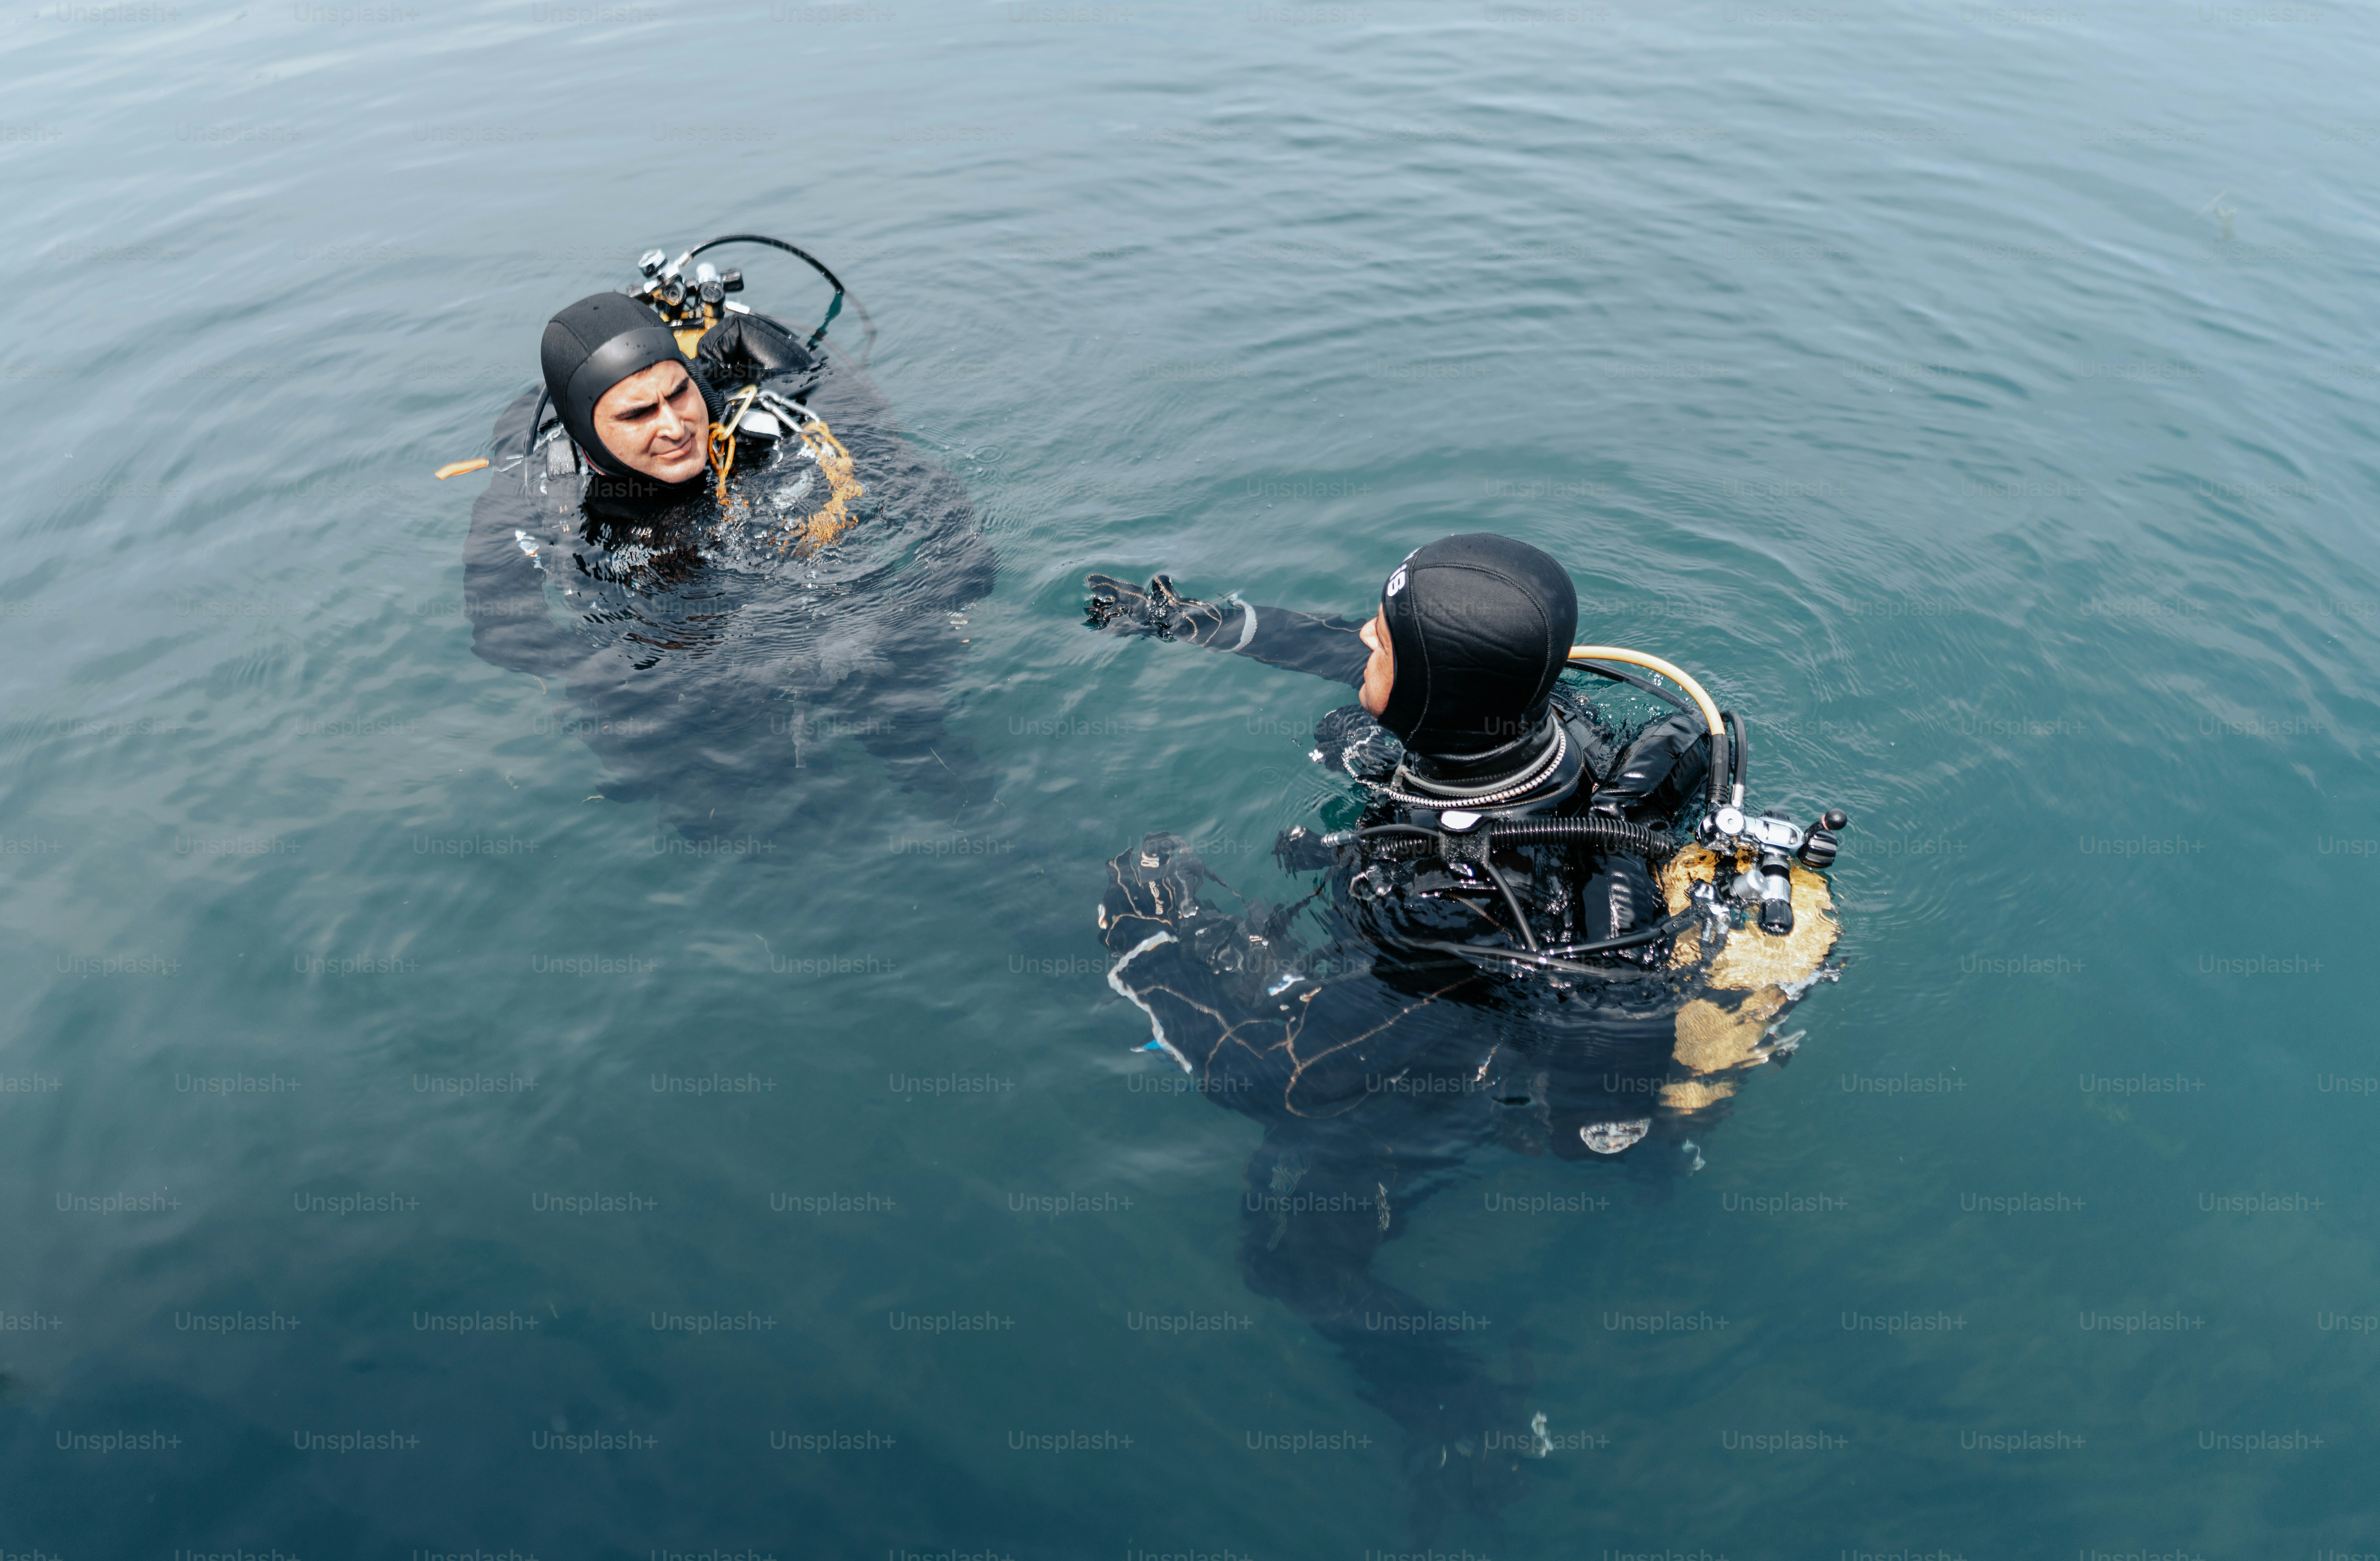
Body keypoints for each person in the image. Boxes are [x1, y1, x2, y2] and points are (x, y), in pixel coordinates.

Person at [1082, 534, 1836, 1531]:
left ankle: (1470, 1420)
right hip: (1549, 979)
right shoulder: (1555, 726)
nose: (1361, 638)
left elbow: (1274, 1080)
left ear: (1435, 696)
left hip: (1462, 1053)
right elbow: (1350, 655)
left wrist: (1146, 932)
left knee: (1290, 1257)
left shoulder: (1449, 899)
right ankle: (1654, 1158)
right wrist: (1188, 622)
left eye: (1383, 639)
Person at [459, 272, 996, 830]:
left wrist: (809, 375)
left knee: (915, 732)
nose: (675, 428)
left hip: (812, 625)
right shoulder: (544, 492)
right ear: (586, 430)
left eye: (678, 395)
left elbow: (891, 460)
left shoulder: (742, 418)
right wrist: (633, 678)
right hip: (686, 679)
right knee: (739, 811)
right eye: (638, 415)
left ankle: (979, 823)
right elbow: (500, 629)